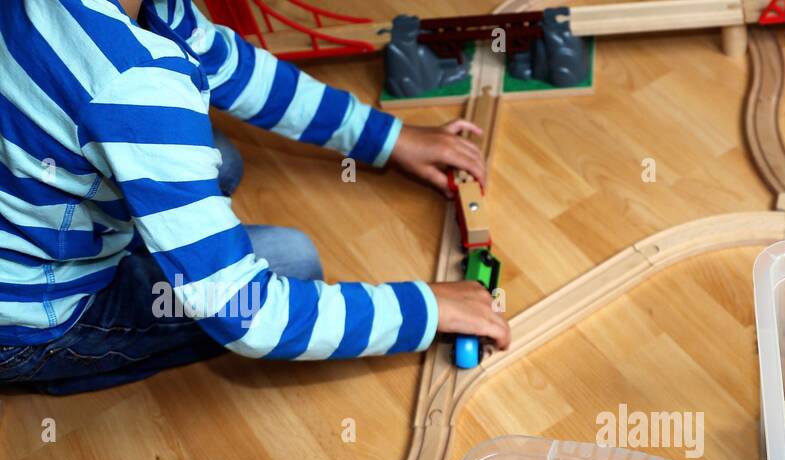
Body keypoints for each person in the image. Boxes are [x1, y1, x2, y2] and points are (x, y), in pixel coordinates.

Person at [0, 0, 510, 395]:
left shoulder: (138, 15)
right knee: (293, 261)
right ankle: (57, 366)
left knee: (223, 158)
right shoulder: (135, 85)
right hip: (31, 322)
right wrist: (426, 309)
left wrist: (385, 137)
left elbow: (229, 65)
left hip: (31, 219)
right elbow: (248, 316)